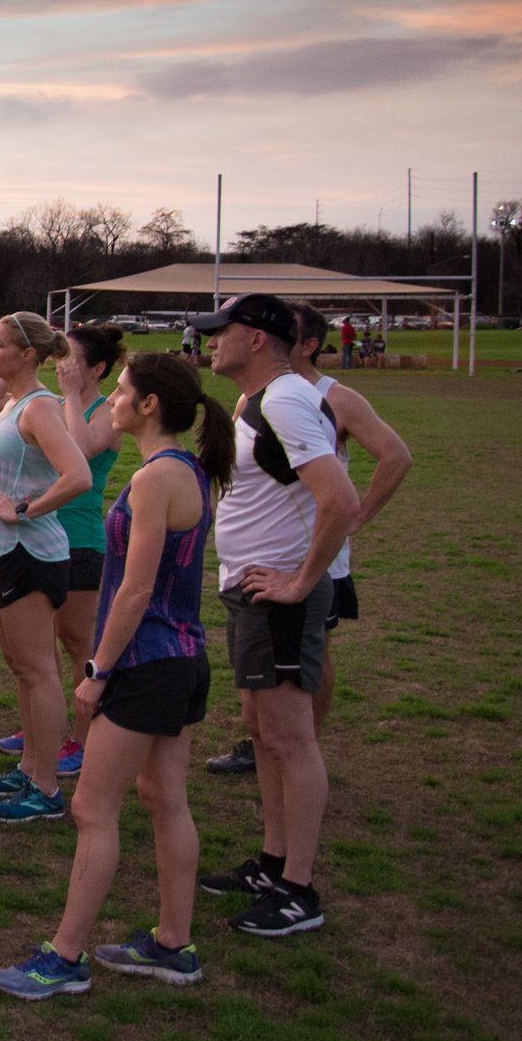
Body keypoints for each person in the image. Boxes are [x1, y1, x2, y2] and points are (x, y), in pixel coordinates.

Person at [0, 353, 230, 999]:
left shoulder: (158, 479)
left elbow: (135, 592)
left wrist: (97, 670)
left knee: (93, 807)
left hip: (147, 661)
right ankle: (173, 944)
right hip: (181, 657)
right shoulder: (182, 471)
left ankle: (64, 957)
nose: (113, 399)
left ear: (150, 404)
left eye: (121, 390)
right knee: (163, 797)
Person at [191, 293, 358, 938]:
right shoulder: (257, 401)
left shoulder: (284, 400)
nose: (209, 342)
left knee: (290, 737)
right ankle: (273, 861)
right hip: (252, 591)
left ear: (257, 339)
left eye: (219, 331)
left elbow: (338, 500)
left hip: (277, 596)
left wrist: (300, 582)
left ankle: (299, 889)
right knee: (263, 731)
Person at [212, 304, 414, 773]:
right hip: (268, 560)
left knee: (313, 655)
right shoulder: (258, 399)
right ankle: (279, 744)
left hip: (313, 556)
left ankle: (303, 745)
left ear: (306, 346)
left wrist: (358, 517)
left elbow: (396, 456)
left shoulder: (333, 397)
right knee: (279, 684)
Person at [0, 313, 92, 824]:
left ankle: (45, 789)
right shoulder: (13, 398)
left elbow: (78, 475)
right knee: (22, 668)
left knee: (39, 671)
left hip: (30, 553)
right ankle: (30, 766)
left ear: (27, 355)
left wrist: (23, 509)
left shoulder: (40, 407)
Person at [11, 324, 126, 781]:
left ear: (97, 368)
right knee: (40, 644)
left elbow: (80, 450)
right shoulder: (51, 403)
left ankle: (84, 737)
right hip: (41, 533)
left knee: (77, 640)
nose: (62, 367)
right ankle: (45, 731)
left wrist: (74, 394)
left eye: (71, 360)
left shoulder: (108, 411)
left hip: (79, 538)